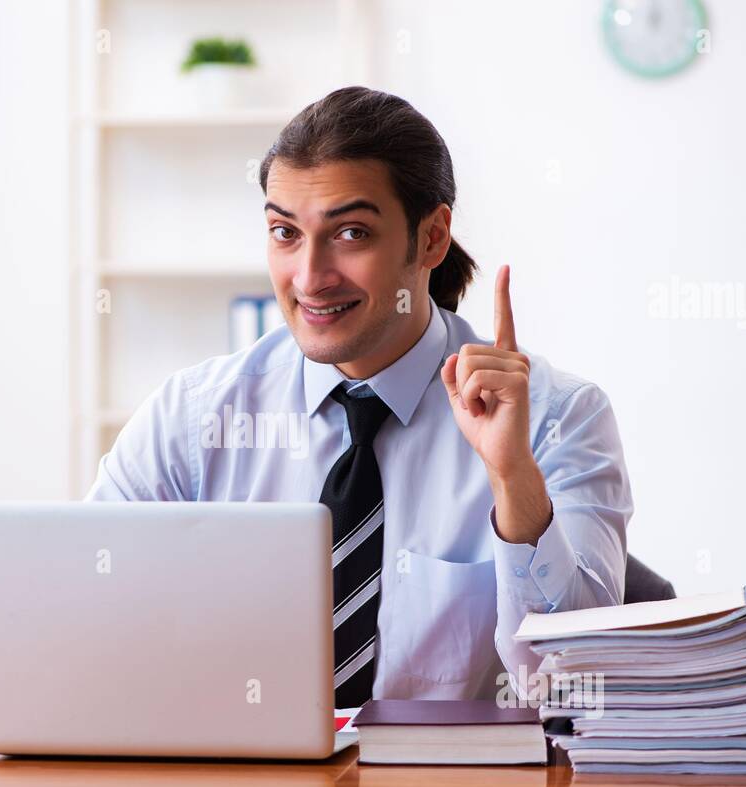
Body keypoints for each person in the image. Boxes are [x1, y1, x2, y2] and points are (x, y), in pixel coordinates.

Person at [86, 86, 633, 705]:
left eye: (350, 233)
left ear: (431, 238)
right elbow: (86, 621)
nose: (310, 276)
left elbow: (582, 692)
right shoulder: (192, 419)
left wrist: (513, 480)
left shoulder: (559, 417)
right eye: (284, 232)